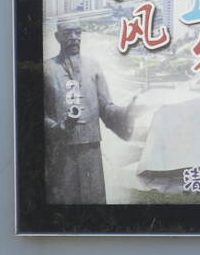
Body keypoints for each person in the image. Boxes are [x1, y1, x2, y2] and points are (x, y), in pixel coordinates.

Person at [43, 17, 135, 204]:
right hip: (61, 150)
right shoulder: (46, 69)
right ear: (57, 36)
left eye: (78, 32)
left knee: (93, 199)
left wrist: (126, 114)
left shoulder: (93, 66)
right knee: (64, 200)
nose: (74, 37)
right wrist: (58, 127)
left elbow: (105, 107)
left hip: (90, 147)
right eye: (68, 33)